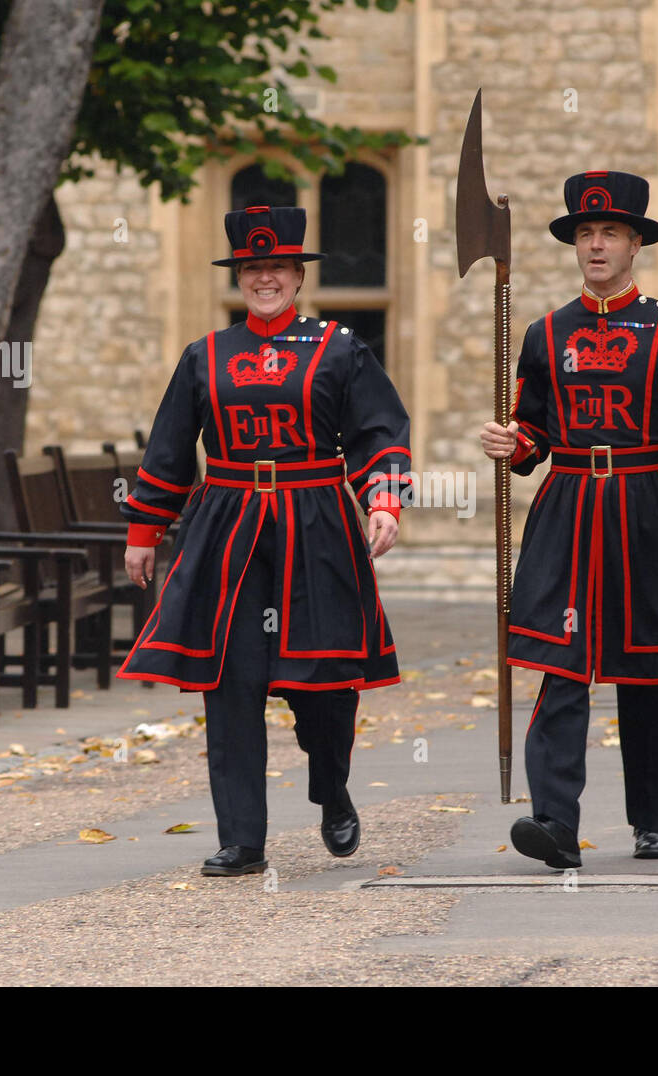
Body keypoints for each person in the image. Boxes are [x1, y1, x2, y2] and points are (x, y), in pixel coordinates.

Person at [120, 204, 411, 876]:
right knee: (232, 681)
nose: (266, 278)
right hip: (227, 530)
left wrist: (385, 500)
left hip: (318, 525)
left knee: (326, 684)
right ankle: (242, 840)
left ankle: (331, 785)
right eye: (254, 268)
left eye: (277, 267)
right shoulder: (206, 354)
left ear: (298, 275)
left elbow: (379, 435)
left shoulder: (339, 348)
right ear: (239, 277)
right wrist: (144, 531)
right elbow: (168, 451)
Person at [480, 170, 658, 869]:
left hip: (645, 509)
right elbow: (535, 430)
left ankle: (653, 821)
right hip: (566, 513)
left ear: (634, 244)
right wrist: (516, 443)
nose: (596, 245)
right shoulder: (543, 332)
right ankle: (555, 826)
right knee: (556, 663)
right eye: (585, 234)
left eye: (610, 234)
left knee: (652, 672)